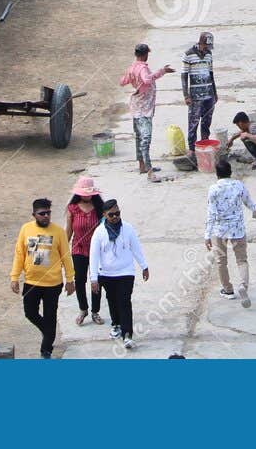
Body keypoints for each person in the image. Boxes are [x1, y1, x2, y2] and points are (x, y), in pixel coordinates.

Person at [11, 197, 76, 358]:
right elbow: (19, 254)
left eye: (48, 213)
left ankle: (46, 350)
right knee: (30, 313)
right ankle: (47, 331)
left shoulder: (58, 232)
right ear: (34, 214)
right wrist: (14, 277)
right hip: (31, 282)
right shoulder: (26, 229)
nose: (46, 216)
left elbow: (66, 256)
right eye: (42, 213)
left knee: (50, 316)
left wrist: (70, 279)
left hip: (52, 284)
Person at [89, 199, 150, 349]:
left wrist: (144, 266)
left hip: (125, 272)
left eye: (117, 213)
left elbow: (136, 248)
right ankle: (116, 324)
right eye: (111, 215)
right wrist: (94, 278)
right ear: (104, 215)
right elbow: (94, 256)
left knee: (124, 301)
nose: (115, 217)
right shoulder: (99, 232)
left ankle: (127, 334)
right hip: (106, 274)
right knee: (112, 300)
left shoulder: (128, 229)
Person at [205, 157, 256, 307]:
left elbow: (211, 214)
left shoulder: (213, 189)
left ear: (217, 174)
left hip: (220, 230)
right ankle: (243, 285)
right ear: (230, 172)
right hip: (238, 229)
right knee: (242, 260)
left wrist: (207, 235)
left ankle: (228, 290)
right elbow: (250, 203)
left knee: (221, 261)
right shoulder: (238, 185)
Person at [121, 44, 173, 179]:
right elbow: (147, 79)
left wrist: (135, 81)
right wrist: (161, 71)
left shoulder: (132, 68)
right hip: (144, 109)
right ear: (145, 54)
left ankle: (142, 166)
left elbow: (123, 81)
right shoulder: (143, 68)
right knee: (146, 138)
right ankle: (149, 171)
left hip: (136, 106)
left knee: (139, 137)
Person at [65, 178, 106, 326]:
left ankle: (95, 311)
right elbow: (69, 231)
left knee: (97, 280)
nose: (87, 196)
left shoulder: (100, 208)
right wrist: (62, 249)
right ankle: (83, 309)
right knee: (80, 280)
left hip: (97, 250)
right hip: (79, 248)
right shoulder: (72, 208)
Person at [182, 32, 218, 146]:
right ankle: (192, 147)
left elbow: (211, 74)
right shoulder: (188, 54)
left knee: (207, 121)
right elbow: (184, 76)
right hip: (195, 96)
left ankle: (205, 143)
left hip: (209, 94)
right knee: (193, 122)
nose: (207, 48)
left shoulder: (209, 54)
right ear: (201, 43)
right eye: (206, 46)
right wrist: (186, 95)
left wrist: (215, 93)